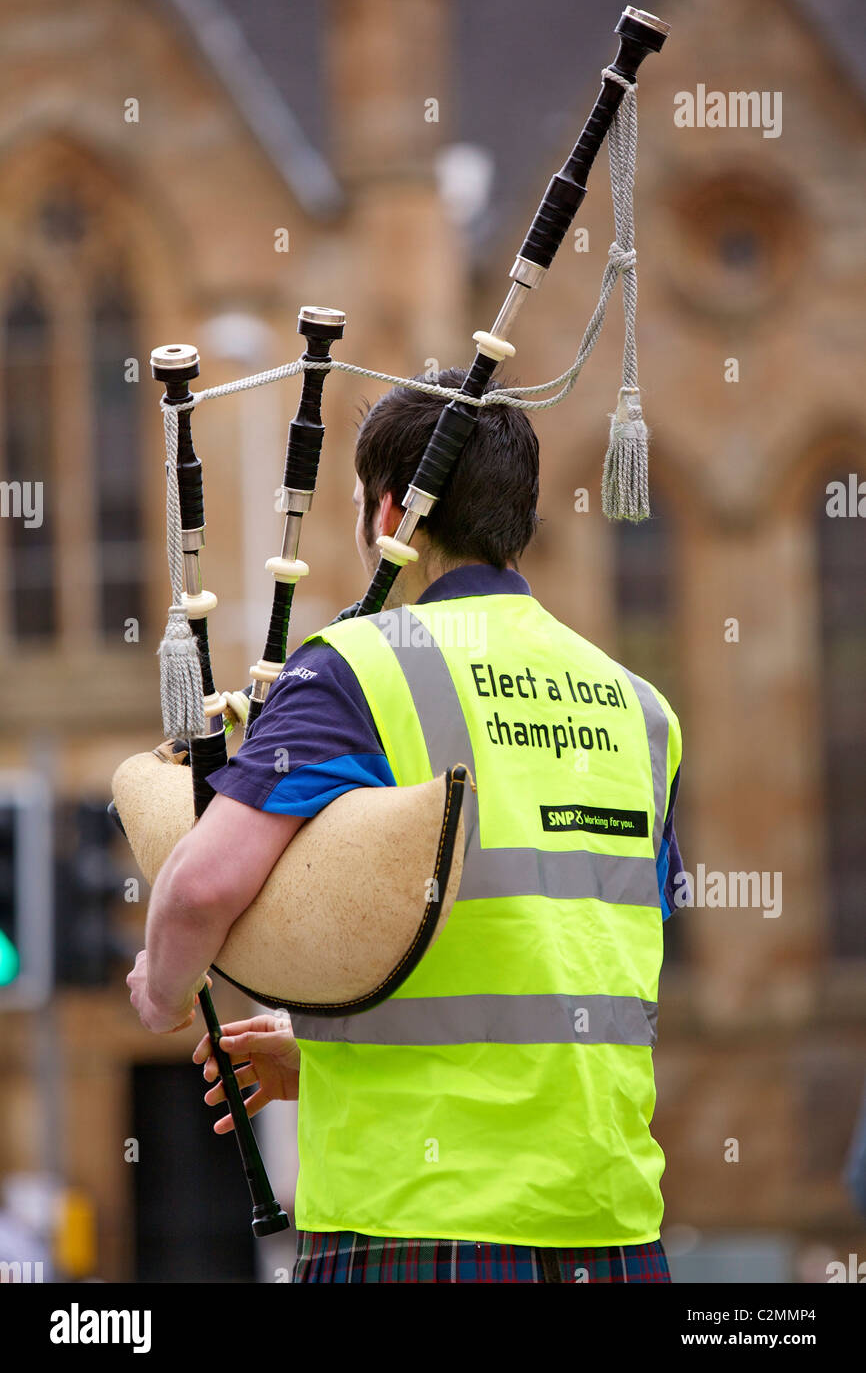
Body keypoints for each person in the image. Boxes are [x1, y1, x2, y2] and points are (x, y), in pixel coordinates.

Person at [128, 368, 685, 1284]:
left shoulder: (354, 667)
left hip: (416, 1227)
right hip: (613, 1231)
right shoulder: (641, 709)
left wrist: (161, 988)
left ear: (390, 515)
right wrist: (323, 1048)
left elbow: (201, 886)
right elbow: (556, 956)